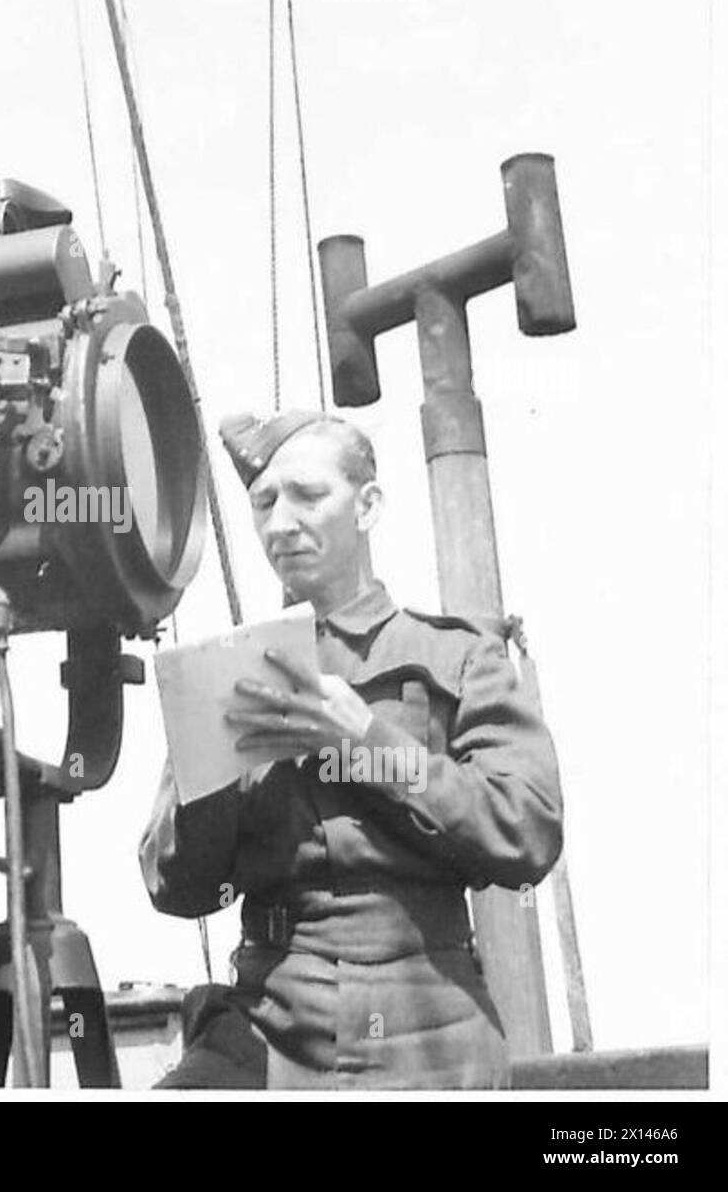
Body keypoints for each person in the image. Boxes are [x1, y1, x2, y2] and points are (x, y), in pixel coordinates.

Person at [139, 407, 563, 1089]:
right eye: (264, 503)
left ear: (367, 506)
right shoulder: (227, 673)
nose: (281, 523)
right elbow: (179, 888)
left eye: (308, 496)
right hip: (268, 1023)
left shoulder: (455, 657)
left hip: (425, 1024)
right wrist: (215, 771)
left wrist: (363, 740)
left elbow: (527, 831)